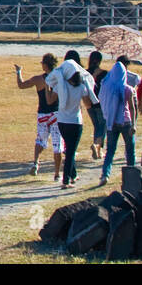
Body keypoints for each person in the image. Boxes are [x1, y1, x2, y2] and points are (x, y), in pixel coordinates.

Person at [47, 57, 98, 188]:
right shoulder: (81, 87)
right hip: (75, 122)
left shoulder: (60, 85)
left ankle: (73, 174)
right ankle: (66, 180)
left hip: (62, 121)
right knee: (70, 151)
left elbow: (51, 100)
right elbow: (88, 104)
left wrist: (48, 87)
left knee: (69, 149)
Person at [15, 53, 62, 179]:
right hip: (56, 114)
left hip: (42, 115)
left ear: (45, 65)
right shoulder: (59, 78)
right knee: (57, 145)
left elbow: (21, 85)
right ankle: (57, 174)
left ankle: (36, 162)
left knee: (40, 140)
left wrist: (18, 72)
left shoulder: (38, 79)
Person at [97, 60, 138, 185]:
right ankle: (131, 174)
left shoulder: (107, 87)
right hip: (126, 121)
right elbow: (131, 108)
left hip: (112, 122)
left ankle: (105, 174)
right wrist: (134, 124)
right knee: (130, 149)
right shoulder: (127, 89)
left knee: (110, 150)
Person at [87, 50, 107, 161]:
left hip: (89, 103)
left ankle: (98, 150)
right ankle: (97, 146)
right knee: (102, 126)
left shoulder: (86, 72)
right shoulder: (104, 74)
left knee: (96, 126)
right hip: (100, 103)